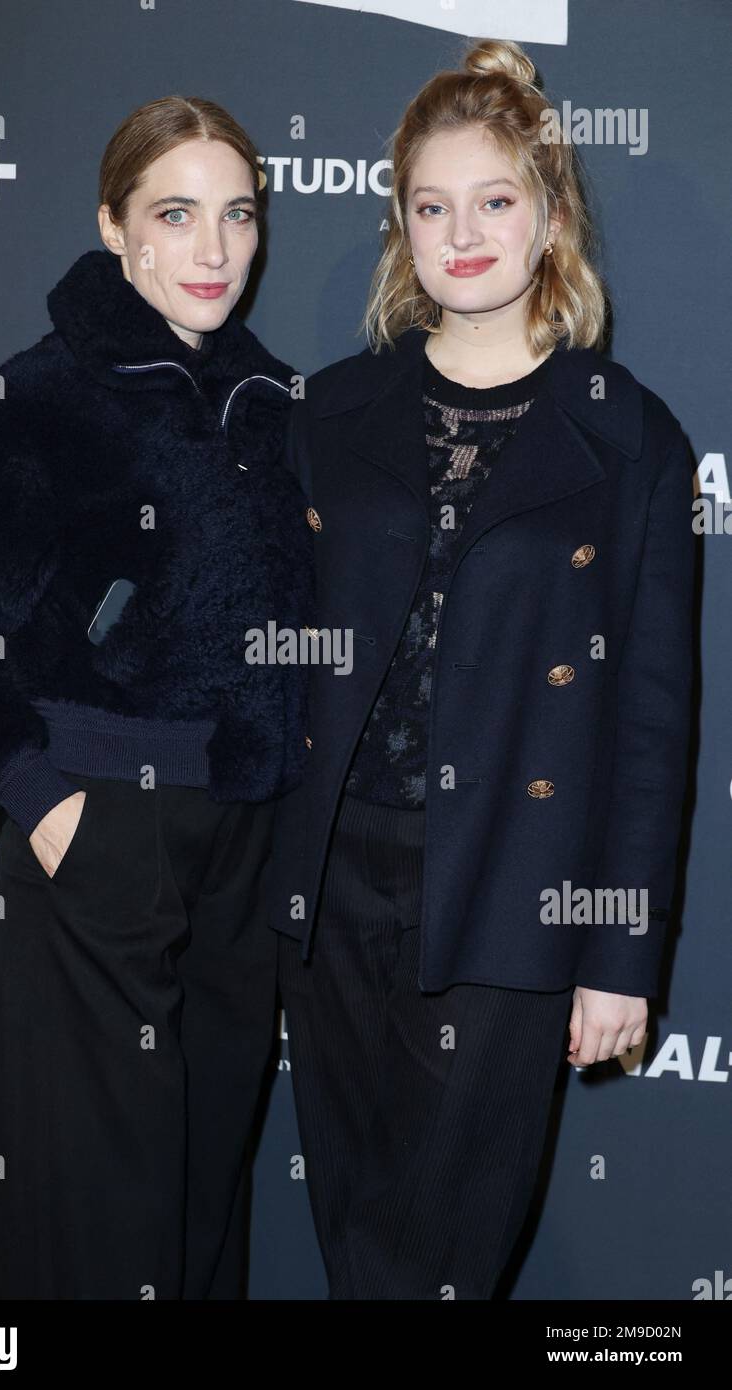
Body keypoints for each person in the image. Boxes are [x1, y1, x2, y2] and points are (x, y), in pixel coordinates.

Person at [269, 38, 696, 1300]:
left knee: (435, 1260)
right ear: (400, 224)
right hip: (333, 882)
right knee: (355, 1237)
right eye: (431, 205)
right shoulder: (331, 415)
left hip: (518, 889)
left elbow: (650, 724)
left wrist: (620, 950)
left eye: (494, 200)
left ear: (549, 216)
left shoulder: (628, 435)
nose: (463, 233)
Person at [0, 96, 312, 1300]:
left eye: (237, 215)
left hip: (243, 843)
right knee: (95, 1234)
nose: (215, 250)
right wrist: (49, 806)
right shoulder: (37, 399)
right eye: (176, 215)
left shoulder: (276, 408)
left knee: (201, 1223)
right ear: (114, 227)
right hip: (102, 832)